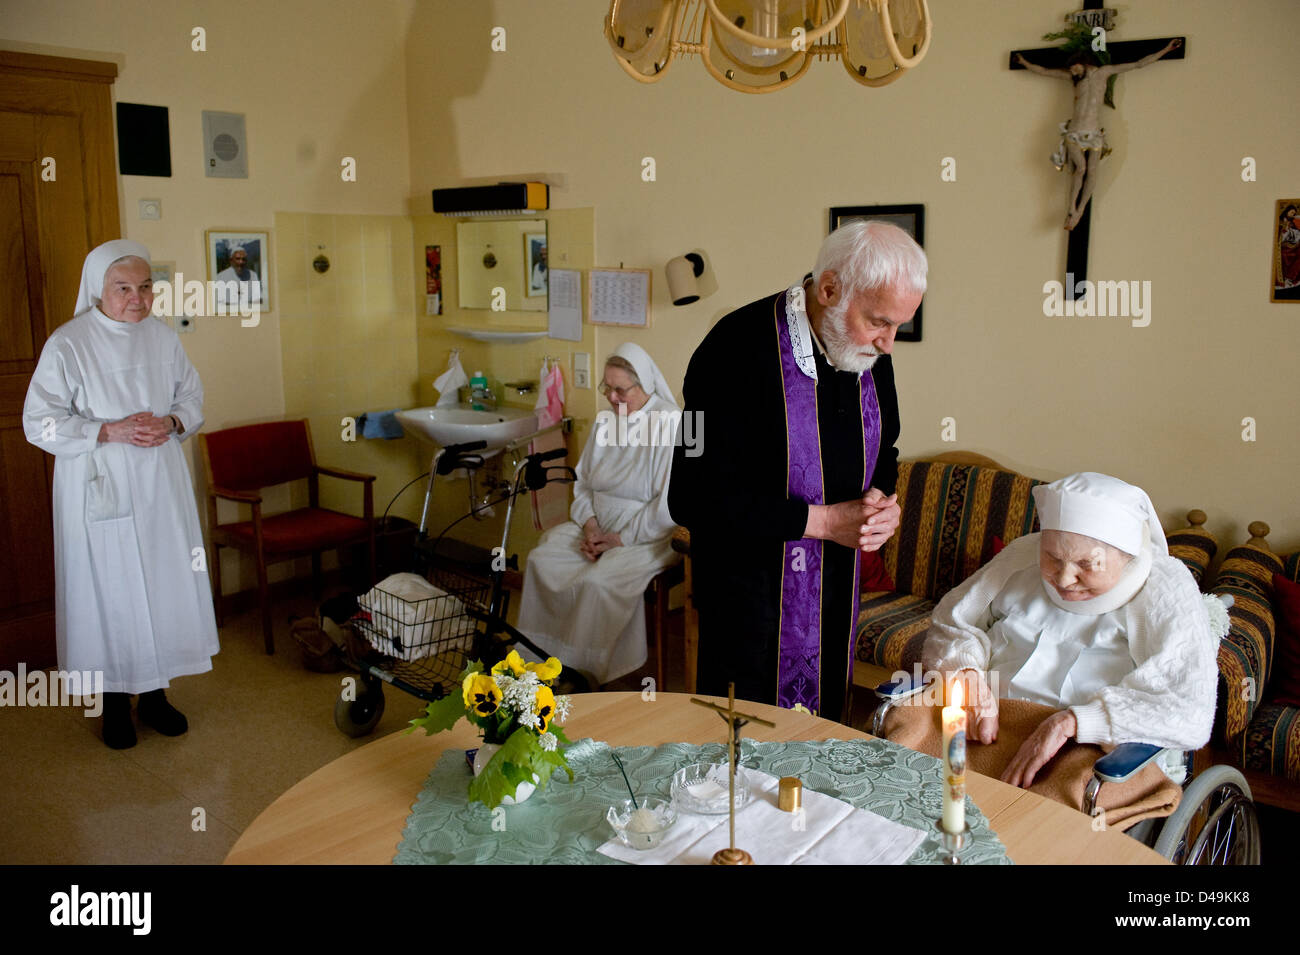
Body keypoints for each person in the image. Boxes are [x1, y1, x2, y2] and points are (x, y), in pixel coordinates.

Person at [669, 220, 925, 720]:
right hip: (750, 608)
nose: (889, 343)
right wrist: (826, 522)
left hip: (834, 603)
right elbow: (692, 495)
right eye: (879, 322)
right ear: (829, 288)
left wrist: (882, 504)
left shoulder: (867, 354)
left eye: (898, 326)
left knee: (817, 752)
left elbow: (886, 448)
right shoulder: (730, 348)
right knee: (745, 765)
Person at [23, 239, 220, 749]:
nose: (137, 298)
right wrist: (107, 432)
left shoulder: (162, 338)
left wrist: (173, 421)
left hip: (160, 483)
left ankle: (154, 695)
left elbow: (191, 396)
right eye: (123, 288)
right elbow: (38, 422)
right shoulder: (68, 343)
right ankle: (113, 703)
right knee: (108, 592)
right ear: (99, 290)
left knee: (160, 584)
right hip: (98, 483)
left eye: (145, 287)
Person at [918, 472, 1219, 789]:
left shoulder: (1164, 588)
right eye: (1052, 557)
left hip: (1083, 752)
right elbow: (952, 620)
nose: (1063, 579)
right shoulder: (1021, 556)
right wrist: (965, 670)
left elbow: (1188, 709)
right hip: (983, 722)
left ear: (1126, 554)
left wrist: (1076, 721)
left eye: (1087, 565)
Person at [516, 343, 681, 685]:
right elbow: (583, 485)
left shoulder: (673, 423)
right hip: (595, 526)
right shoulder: (606, 421)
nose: (613, 397)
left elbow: (670, 504)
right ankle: (543, 659)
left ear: (645, 386)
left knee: (597, 583)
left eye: (621, 390)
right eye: (608, 388)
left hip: (646, 535)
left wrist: (620, 539)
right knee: (542, 559)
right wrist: (591, 527)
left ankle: (586, 672)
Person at [1016, 36, 1182, 230]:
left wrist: (1166, 50)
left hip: (1094, 131)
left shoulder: (1104, 72)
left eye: (1075, 68)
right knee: (1080, 169)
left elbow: (1138, 64)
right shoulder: (1073, 77)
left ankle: (1080, 210)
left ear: (1083, 63)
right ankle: (1071, 207)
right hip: (1075, 131)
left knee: (1092, 171)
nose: (1073, 72)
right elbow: (1044, 71)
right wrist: (1024, 62)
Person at [213, 243, 262, 311]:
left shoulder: (253, 275)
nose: (241, 262)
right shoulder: (221, 276)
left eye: (243, 259)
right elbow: (219, 302)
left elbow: (257, 299)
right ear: (231, 260)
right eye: (238, 259)